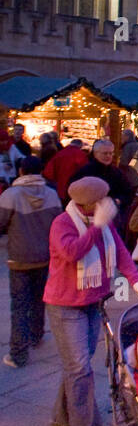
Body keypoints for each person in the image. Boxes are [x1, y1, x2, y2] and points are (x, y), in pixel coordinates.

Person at [43, 176, 138, 426]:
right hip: (65, 305)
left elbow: (121, 251)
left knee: (78, 364)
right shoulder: (62, 224)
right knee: (80, 368)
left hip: (93, 301)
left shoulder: (102, 221)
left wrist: (135, 278)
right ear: (87, 205)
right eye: (101, 200)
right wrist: (97, 227)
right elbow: (72, 252)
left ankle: (62, 414)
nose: (107, 203)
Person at [0, 155, 62, 368]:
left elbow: (0, 223)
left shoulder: (10, 195)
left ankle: (18, 353)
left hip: (19, 257)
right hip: (45, 256)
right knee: (39, 298)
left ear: (21, 171)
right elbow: (58, 225)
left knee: (19, 304)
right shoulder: (52, 195)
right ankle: (36, 336)